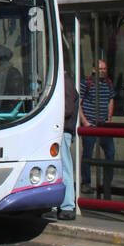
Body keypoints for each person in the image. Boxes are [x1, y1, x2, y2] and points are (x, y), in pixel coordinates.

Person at [79, 58, 116, 200]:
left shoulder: (107, 83)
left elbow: (111, 99)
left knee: (110, 154)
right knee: (88, 154)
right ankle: (86, 182)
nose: (103, 72)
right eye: (100, 69)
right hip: (90, 125)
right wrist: (85, 121)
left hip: (104, 125)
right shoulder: (86, 83)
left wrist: (109, 117)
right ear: (94, 70)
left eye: (105, 69)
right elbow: (79, 102)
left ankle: (107, 183)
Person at [55, 70, 79, 220]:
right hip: (62, 130)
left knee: (65, 167)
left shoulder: (65, 83)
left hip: (63, 130)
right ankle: (63, 204)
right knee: (61, 167)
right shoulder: (65, 82)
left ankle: (68, 205)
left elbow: (67, 109)